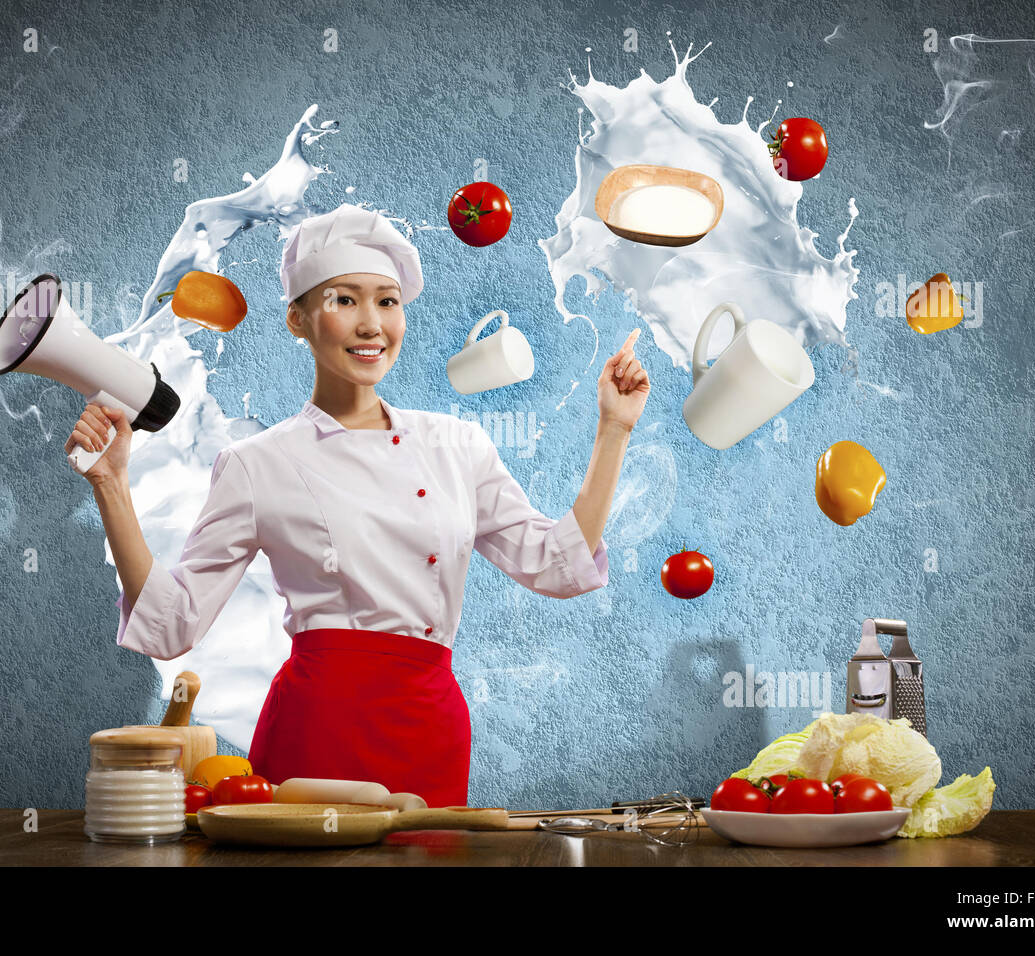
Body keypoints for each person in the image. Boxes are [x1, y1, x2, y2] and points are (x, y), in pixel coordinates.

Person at [70, 203, 650, 807]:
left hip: (430, 731)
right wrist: (111, 483)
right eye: (344, 300)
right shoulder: (256, 463)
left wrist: (613, 429)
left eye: (387, 301)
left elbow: (556, 566)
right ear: (297, 319)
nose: (372, 324)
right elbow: (172, 626)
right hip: (314, 735)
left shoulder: (458, 446)